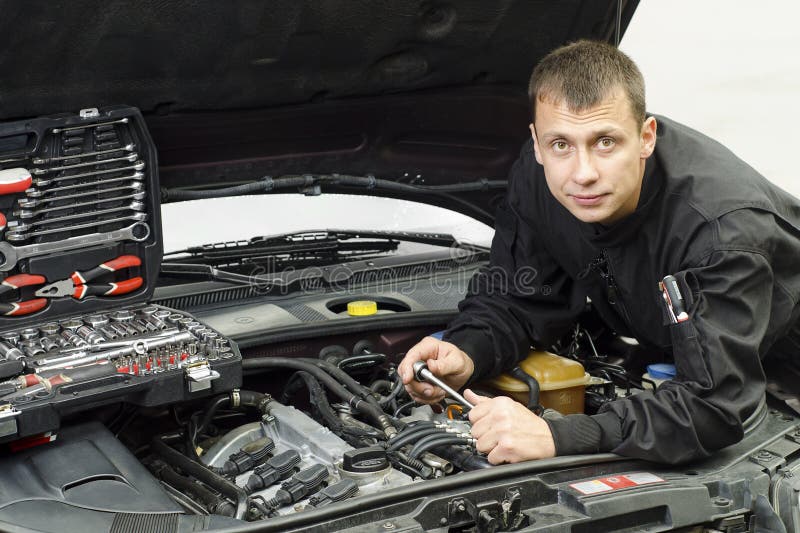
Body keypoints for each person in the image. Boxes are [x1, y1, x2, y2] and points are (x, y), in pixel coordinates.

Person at [397, 40, 800, 465]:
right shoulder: (541, 180)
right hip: (696, 353)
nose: (583, 173)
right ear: (537, 143)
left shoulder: (721, 231)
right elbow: (521, 296)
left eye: (605, 142)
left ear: (646, 137)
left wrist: (559, 435)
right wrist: (465, 351)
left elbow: (714, 405)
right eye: (561, 145)